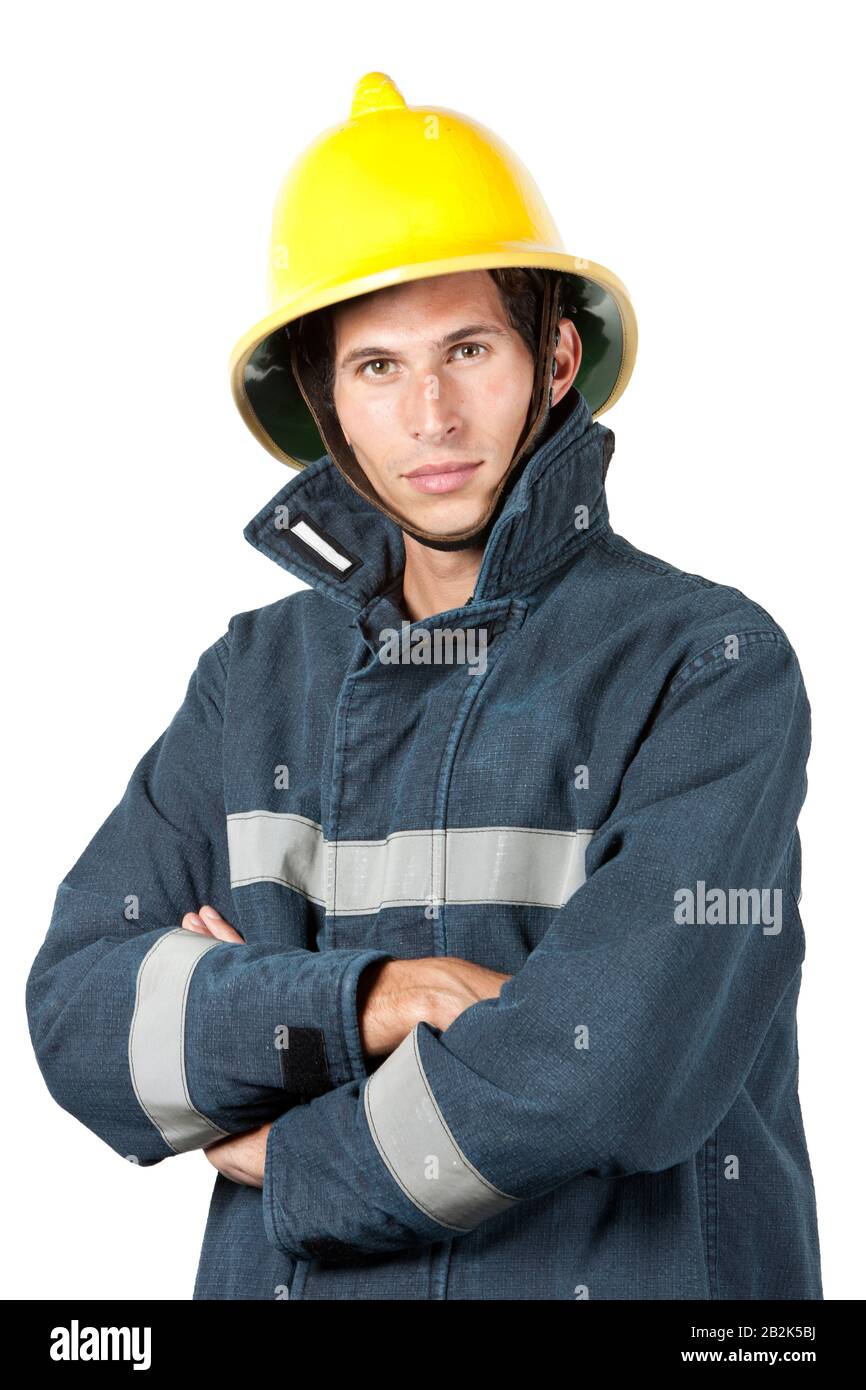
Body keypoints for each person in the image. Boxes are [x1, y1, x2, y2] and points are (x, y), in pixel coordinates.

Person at [25, 70, 823, 1301]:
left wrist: (289, 1151)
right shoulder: (248, 684)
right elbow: (81, 1015)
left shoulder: (706, 664)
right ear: (323, 401)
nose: (431, 415)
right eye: (378, 368)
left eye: (466, 349)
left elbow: (610, 1064)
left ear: (553, 357)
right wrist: (373, 1000)